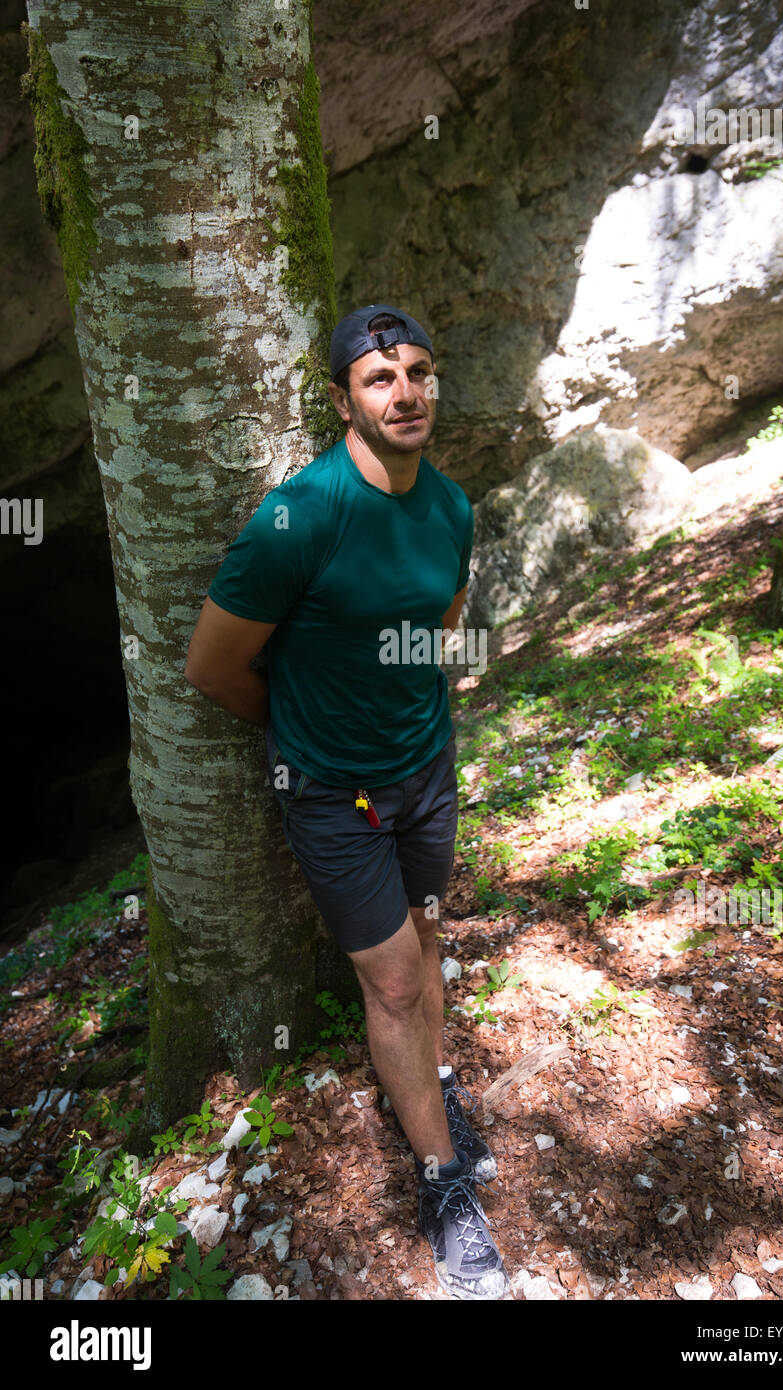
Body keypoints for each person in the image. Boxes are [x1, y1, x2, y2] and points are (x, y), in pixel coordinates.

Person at [184, 304, 507, 1300]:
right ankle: (444, 1184)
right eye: (380, 378)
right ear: (341, 400)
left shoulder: (448, 505)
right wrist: (305, 740)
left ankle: (435, 1086)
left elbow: (443, 617)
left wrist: (421, 703)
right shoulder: (299, 516)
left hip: (425, 769)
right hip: (332, 793)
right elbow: (214, 666)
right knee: (396, 984)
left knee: (426, 931)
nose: (405, 392)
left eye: (418, 372)